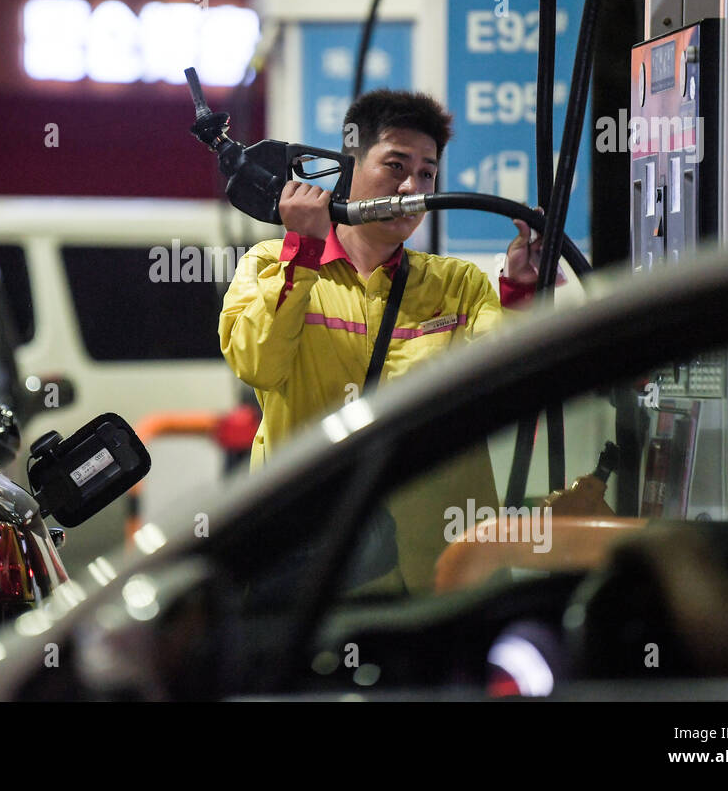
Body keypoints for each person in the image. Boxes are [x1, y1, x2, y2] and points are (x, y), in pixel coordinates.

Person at [218, 88, 558, 592]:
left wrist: (522, 292)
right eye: (395, 166)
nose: (410, 187)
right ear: (347, 169)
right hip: (318, 566)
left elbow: (506, 388)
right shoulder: (270, 264)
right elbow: (258, 365)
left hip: (444, 574)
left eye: (426, 173)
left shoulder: (458, 285)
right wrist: (304, 250)